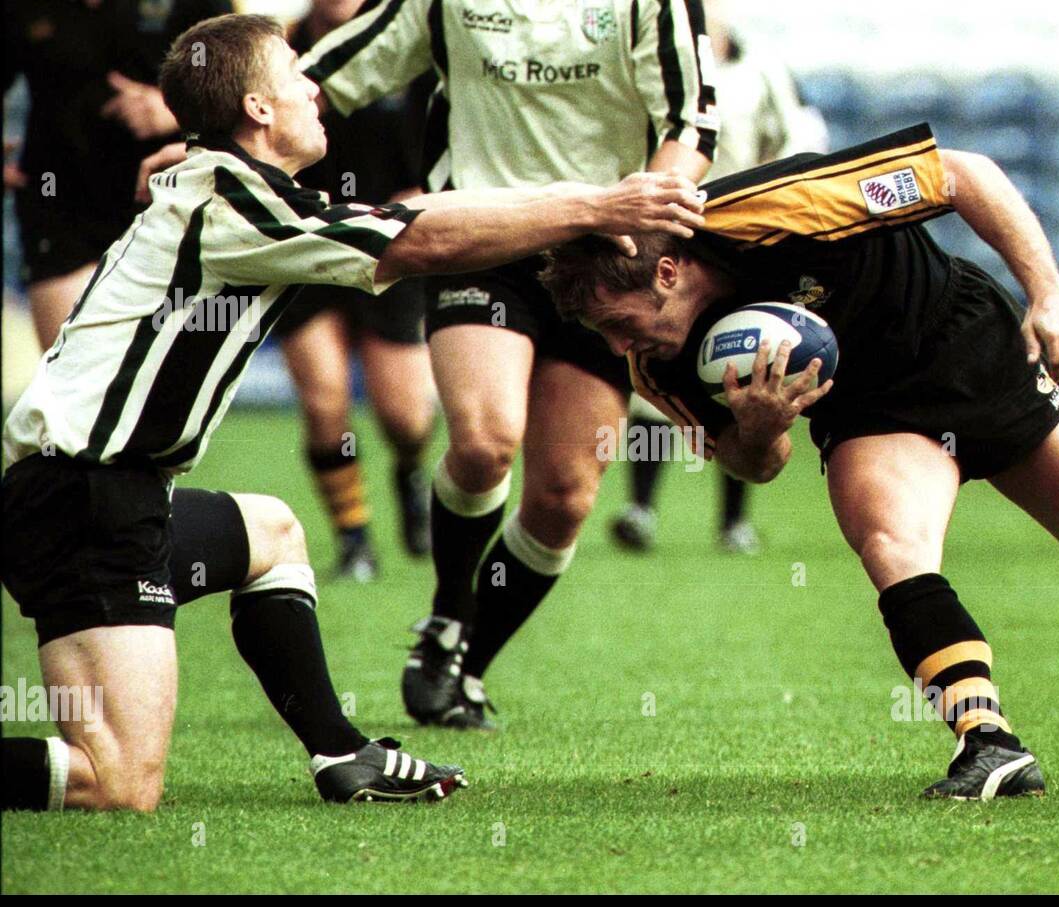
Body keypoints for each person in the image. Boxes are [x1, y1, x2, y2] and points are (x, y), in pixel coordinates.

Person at [0, 13, 705, 812]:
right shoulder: (237, 206)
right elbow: (421, 244)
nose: (314, 88)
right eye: (296, 74)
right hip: (86, 503)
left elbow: (414, 226)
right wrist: (598, 205)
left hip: (102, 493)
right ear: (259, 109)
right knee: (117, 783)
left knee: (272, 534)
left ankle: (341, 753)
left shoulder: (230, 190)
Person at [539, 126, 1059, 799]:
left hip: (970, 350)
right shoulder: (659, 366)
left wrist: (1048, 294)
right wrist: (763, 429)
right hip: (869, 409)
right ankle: (989, 742)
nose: (616, 347)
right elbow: (754, 464)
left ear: (666, 271)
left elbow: (963, 175)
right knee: (893, 546)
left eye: (615, 322)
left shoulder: (775, 209)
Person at [299, 0, 718, 729]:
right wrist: (219, 145)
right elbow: (328, 76)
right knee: (488, 436)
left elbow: (691, 122)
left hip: (604, 251)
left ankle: (468, 663)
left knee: (563, 495)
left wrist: (643, 220)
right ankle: (447, 617)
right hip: (486, 240)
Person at [610, 0, 829, 555]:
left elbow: (801, 143)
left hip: (745, 247)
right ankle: (640, 507)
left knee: (745, 371)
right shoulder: (653, 71)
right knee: (652, 378)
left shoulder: (764, 72)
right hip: (670, 239)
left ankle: (733, 521)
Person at [278, 0, 440, 580]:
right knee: (324, 400)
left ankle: (411, 469)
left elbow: (439, 158)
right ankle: (354, 538)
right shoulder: (280, 54)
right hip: (303, 249)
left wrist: (414, 201)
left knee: (406, 417)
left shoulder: (410, 48)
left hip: (389, 247)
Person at [4, 0, 231, 351]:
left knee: (166, 381)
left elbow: (241, 82)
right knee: (72, 368)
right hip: (56, 204)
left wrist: (173, 112)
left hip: (166, 204)